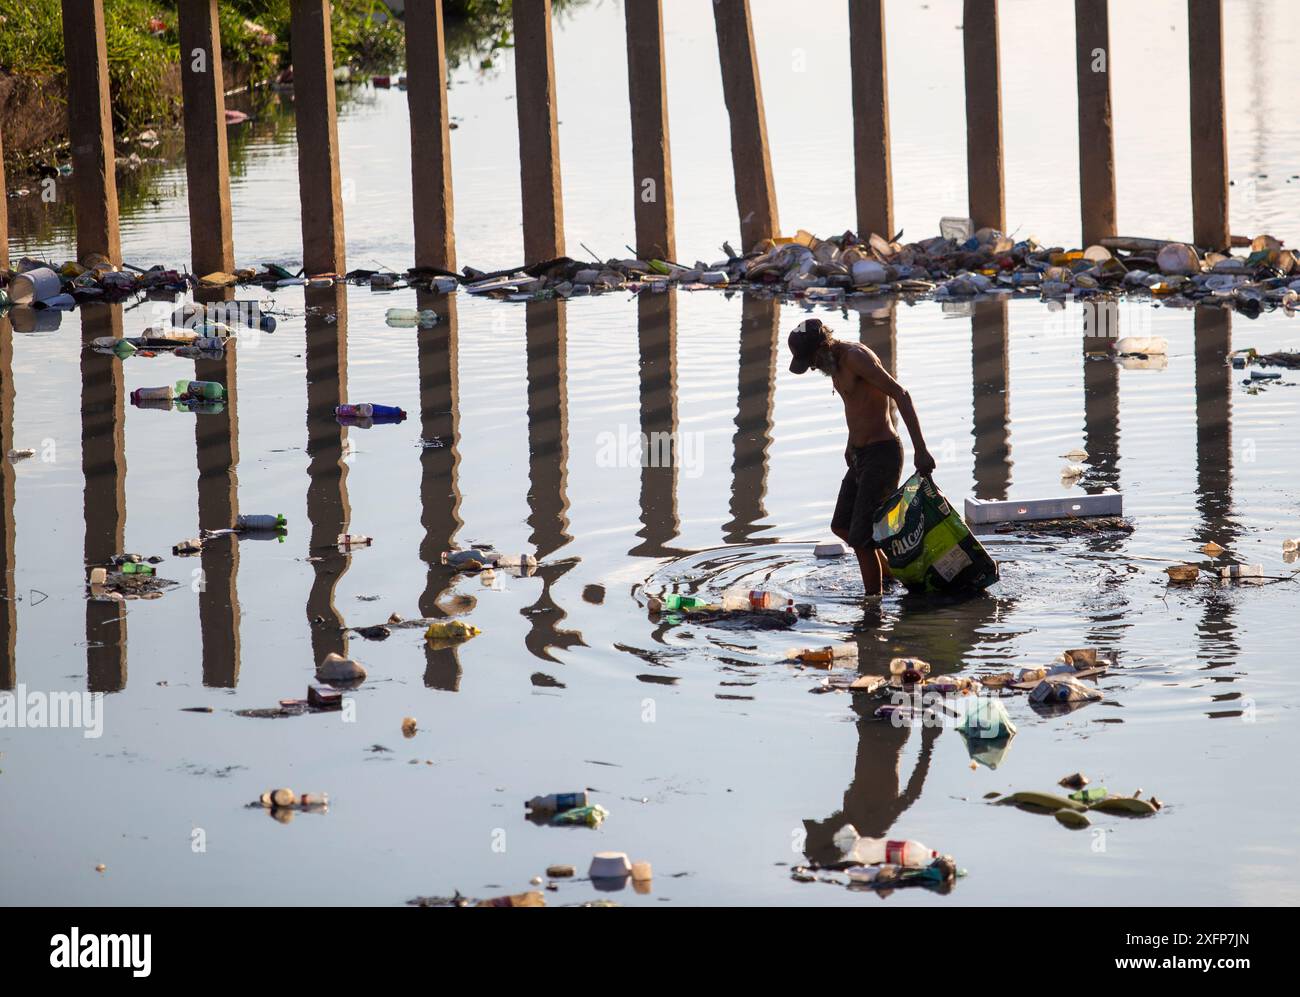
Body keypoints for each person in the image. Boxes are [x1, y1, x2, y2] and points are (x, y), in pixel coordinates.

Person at [787, 317, 936, 597]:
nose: (812, 366)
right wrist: (849, 444)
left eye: (812, 360)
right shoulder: (833, 363)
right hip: (859, 455)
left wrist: (921, 449)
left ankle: (872, 607)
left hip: (882, 454)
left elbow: (900, 394)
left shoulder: (856, 357)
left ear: (824, 345)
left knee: (862, 538)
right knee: (841, 525)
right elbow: (857, 407)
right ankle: (893, 577)